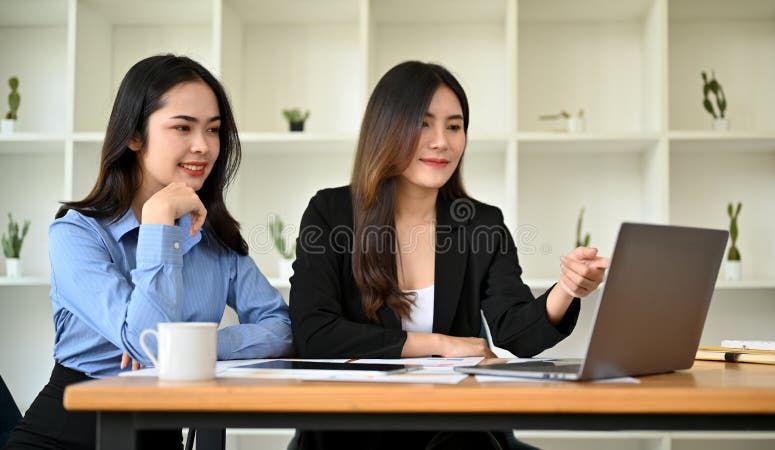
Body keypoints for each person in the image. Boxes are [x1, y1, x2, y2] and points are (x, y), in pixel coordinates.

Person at [288, 61, 609, 450]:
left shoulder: (481, 224)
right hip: (353, 434)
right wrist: (441, 343)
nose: (441, 141)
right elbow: (315, 334)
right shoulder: (331, 212)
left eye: (454, 126)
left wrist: (567, 289)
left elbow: (516, 332)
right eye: (423, 124)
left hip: (457, 431)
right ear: (386, 130)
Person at [3, 54, 293, 450]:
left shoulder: (213, 239)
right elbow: (146, 342)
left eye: (213, 130)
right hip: (68, 435)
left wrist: (197, 348)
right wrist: (158, 224)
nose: (203, 146)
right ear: (134, 137)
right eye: (182, 127)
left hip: (161, 433)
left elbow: (281, 327)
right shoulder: (76, 233)